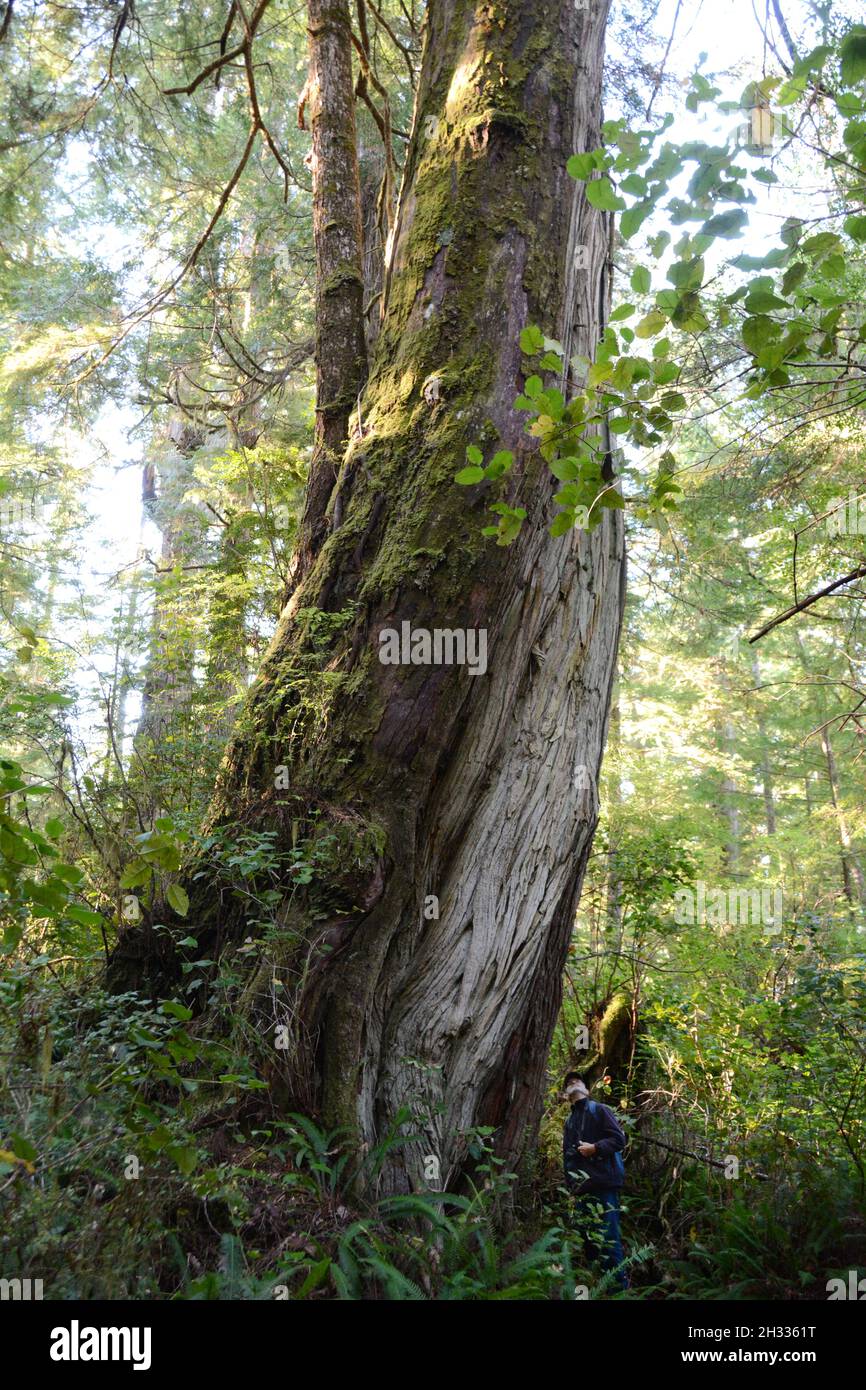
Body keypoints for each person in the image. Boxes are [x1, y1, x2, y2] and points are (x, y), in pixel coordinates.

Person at [562, 1071, 628, 1290]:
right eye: (569, 1083)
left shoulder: (599, 1110)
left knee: (609, 1239)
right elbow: (567, 1157)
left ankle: (619, 1290)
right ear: (565, 1095)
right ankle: (597, 1286)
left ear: (587, 1090)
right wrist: (571, 1185)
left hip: (604, 1185)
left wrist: (595, 1148)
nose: (573, 1083)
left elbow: (619, 1139)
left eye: (577, 1081)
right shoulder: (569, 1122)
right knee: (588, 1241)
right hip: (582, 1190)